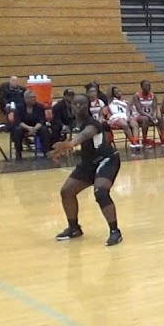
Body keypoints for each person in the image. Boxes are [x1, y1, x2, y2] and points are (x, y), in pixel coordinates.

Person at [51, 94, 122, 246]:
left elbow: (85, 135)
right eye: (75, 104)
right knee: (66, 192)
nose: (78, 106)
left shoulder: (93, 123)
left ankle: (115, 231)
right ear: (71, 106)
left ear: (88, 106)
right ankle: (74, 228)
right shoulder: (73, 123)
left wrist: (70, 144)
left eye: (82, 104)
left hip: (106, 160)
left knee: (100, 192)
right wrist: (62, 152)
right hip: (88, 163)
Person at [10, 90, 52, 160]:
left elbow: (41, 120)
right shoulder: (19, 107)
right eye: (31, 97)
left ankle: (46, 151)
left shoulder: (40, 106)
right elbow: (18, 121)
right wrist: (29, 128)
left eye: (34, 97)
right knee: (17, 130)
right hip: (23, 126)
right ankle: (18, 152)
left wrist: (34, 128)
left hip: (36, 126)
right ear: (25, 98)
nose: (33, 99)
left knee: (44, 129)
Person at [133, 80, 159, 145]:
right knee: (145, 119)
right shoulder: (136, 95)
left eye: (149, 85)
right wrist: (149, 116)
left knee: (160, 118)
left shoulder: (153, 96)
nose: (148, 87)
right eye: (146, 85)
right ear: (142, 87)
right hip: (138, 115)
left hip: (149, 114)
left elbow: (154, 108)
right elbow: (139, 110)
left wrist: (154, 115)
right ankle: (144, 139)